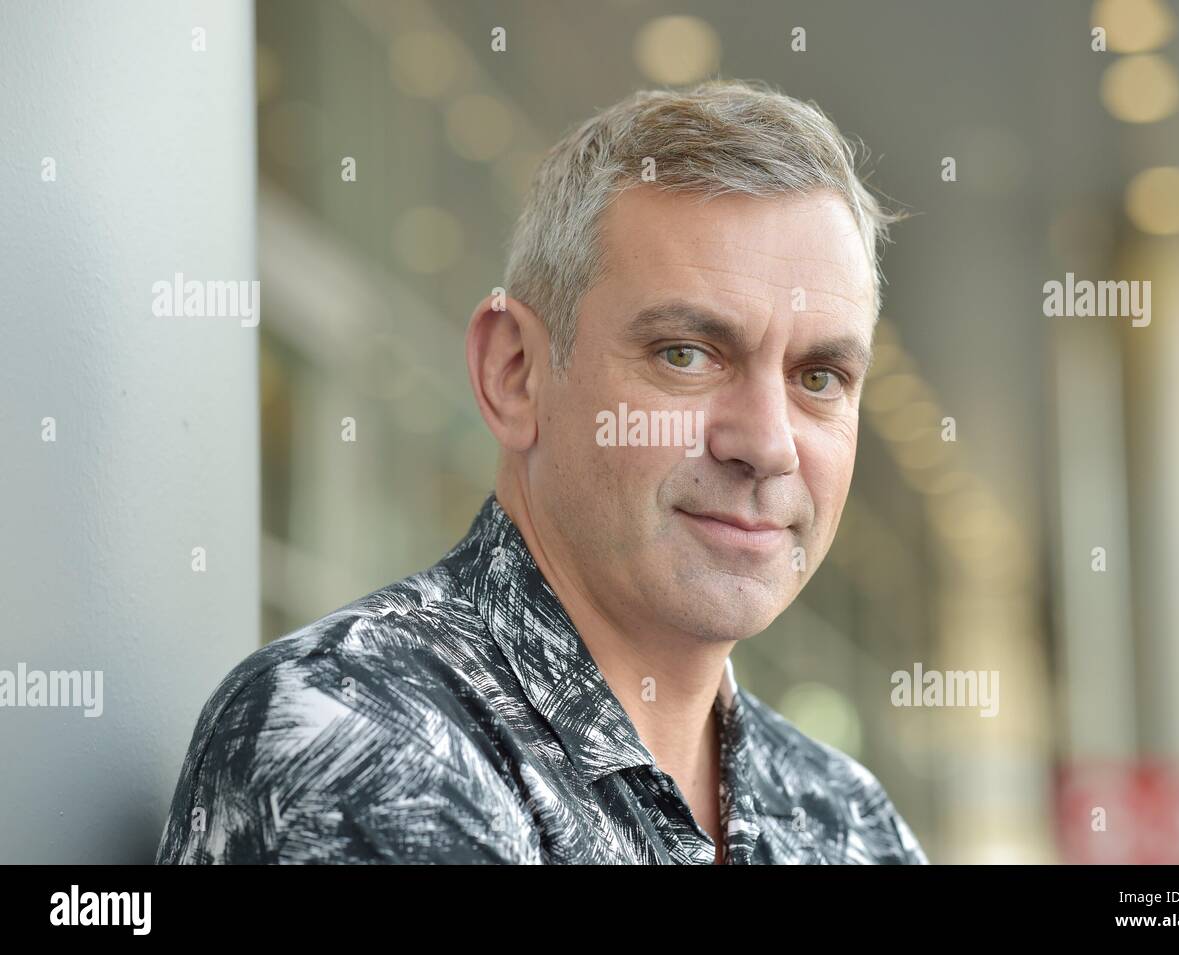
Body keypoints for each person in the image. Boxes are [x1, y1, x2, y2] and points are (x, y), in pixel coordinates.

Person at [156, 78, 927, 864]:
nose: (767, 444)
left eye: (820, 377)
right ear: (515, 372)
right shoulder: (357, 726)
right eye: (687, 354)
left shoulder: (850, 817)